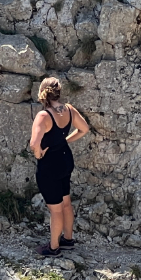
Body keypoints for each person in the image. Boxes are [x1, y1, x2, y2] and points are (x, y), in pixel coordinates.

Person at [29, 76, 91, 256]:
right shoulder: (69, 110)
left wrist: (38, 153)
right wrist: (64, 140)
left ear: (42, 94)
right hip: (65, 160)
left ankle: (54, 247)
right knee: (65, 202)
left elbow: (34, 143)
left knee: (55, 209)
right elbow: (84, 129)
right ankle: (68, 239)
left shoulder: (43, 115)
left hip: (50, 165)